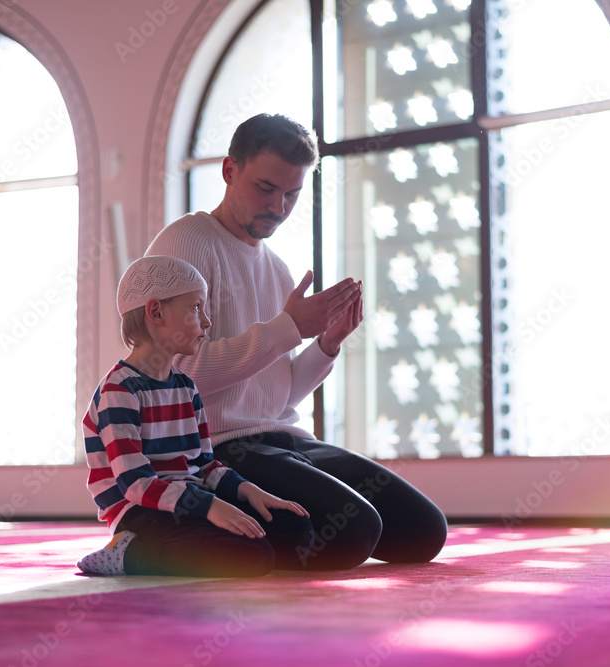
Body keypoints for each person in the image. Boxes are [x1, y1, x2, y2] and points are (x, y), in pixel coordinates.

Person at [146, 113, 447, 570]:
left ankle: (241, 537)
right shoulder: (185, 243)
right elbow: (174, 376)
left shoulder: (278, 268)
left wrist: (325, 344)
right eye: (266, 188)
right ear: (229, 171)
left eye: (292, 194)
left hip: (282, 438)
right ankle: (171, 531)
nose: (278, 206)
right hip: (214, 450)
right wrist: (288, 328)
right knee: (353, 532)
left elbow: (277, 392)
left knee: (423, 531)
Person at [77, 255, 313, 577]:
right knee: (251, 556)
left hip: (190, 498)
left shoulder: (186, 387)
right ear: (156, 312)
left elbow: (203, 465)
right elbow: (135, 484)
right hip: (143, 509)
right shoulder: (120, 390)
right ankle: (129, 551)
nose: (207, 322)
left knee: (297, 530)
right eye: (196, 308)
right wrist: (210, 507)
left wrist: (250, 492)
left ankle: (195, 539)